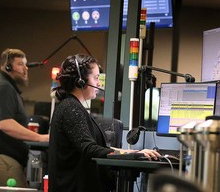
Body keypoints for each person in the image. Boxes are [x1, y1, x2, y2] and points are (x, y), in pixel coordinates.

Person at [48, 54, 160, 192]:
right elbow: (90, 149)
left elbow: (96, 147)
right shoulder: (70, 108)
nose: (99, 84)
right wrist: (131, 154)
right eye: (96, 78)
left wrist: (133, 152)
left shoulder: (72, 106)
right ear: (81, 81)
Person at [0, 48, 49, 187]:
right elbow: (5, 123)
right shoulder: (3, 87)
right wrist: (40, 137)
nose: (25, 69)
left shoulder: (5, 86)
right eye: (20, 64)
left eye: (26, 65)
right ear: (7, 67)